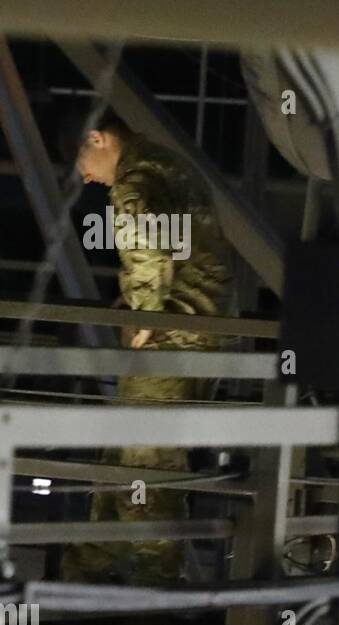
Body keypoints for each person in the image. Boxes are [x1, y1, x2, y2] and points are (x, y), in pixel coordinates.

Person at [61, 110, 229, 584]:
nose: (86, 176)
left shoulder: (134, 181)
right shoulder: (167, 164)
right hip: (198, 328)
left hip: (170, 338)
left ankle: (152, 589)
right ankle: (88, 571)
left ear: (97, 137)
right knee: (124, 459)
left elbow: (148, 251)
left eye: (82, 160)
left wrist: (142, 316)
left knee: (144, 466)